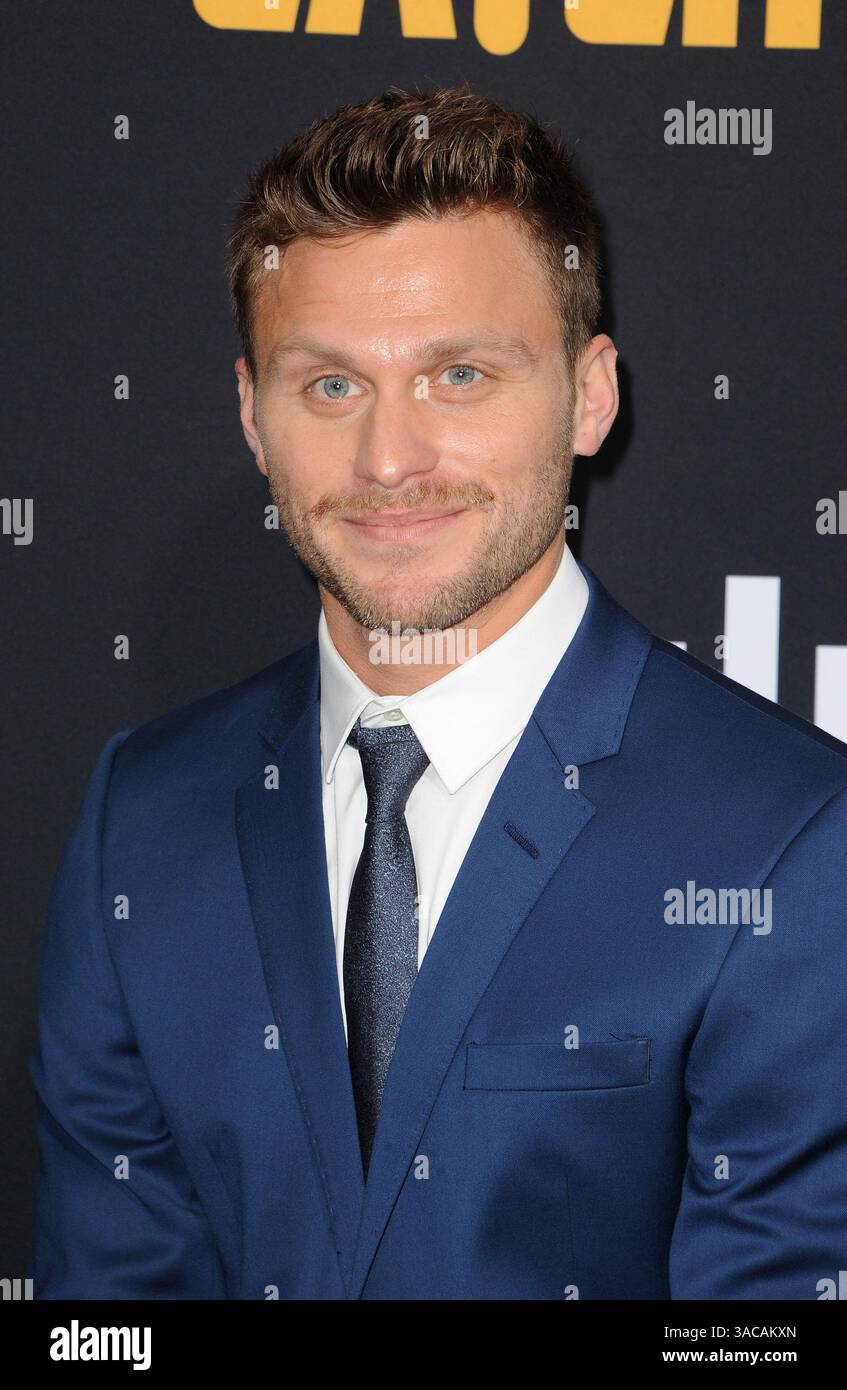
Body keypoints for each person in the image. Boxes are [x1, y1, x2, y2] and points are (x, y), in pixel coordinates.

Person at [30, 85, 847, 1300]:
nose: (389, 458)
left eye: (459, 374)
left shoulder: (795, 838)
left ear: (591, 394)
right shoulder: (137, 819)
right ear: (254, 416)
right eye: (331, 386)